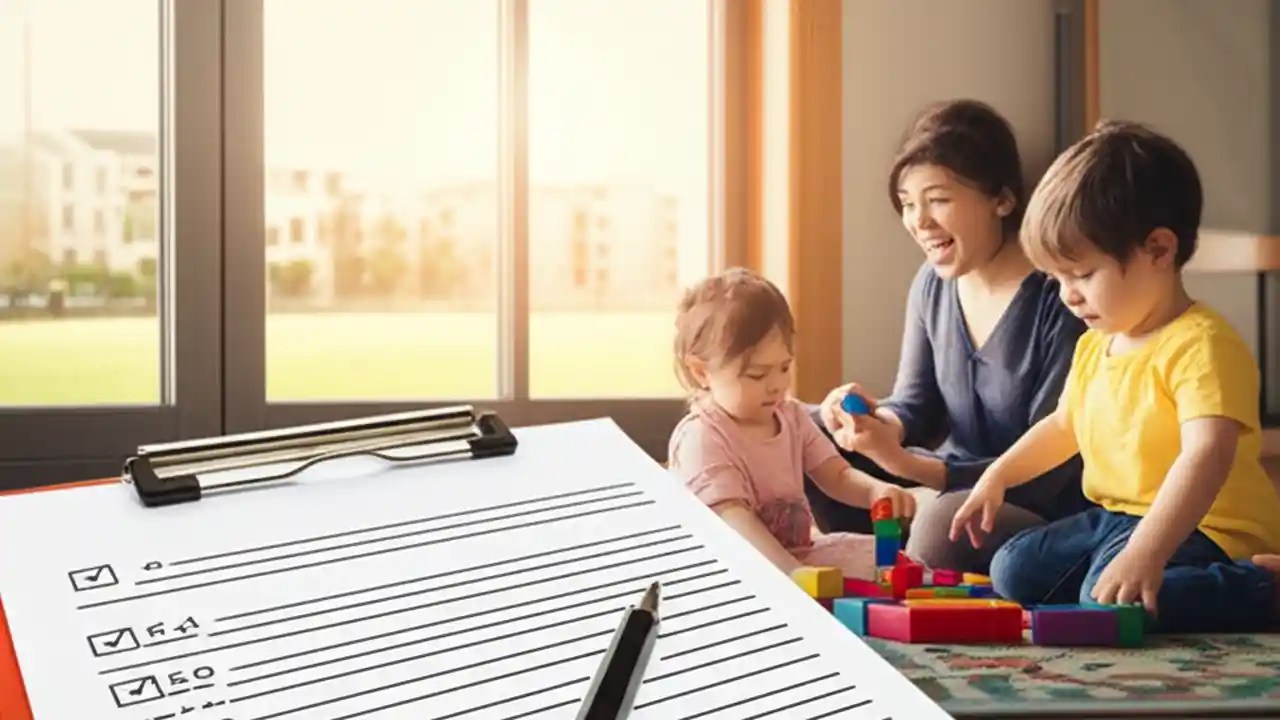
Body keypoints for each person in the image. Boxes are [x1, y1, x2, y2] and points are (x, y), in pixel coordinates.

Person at [951, 121, 1280, 632]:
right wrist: (997, 475)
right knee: (1011, 568)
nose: (1067, 295)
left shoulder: (1202, 344)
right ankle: (1122, 572)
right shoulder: (1095, 344)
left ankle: (1262, 586)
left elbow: (1206, 455)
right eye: (1057, 278)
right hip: (1115, 518)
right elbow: (1064, 427)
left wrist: (1147, 551)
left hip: (1209, 529)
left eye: (1082, 275)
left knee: (1113, 603)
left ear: (1159, 250)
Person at [807, 99, 1089, 573]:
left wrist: (912, 469)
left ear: (1001, 198)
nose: (919, 220)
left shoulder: (1061, 298)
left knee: (942, 526)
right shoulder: (932, 283)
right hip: (946, 485)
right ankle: (899, 546)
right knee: (814, 432)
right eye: (908, 203)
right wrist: (877, 424)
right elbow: (916, 408)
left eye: (938, 200)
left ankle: (916, 542)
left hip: (1034, 505)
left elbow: (1051, 470)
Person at [667, 268, 916, 581]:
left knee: (893, 562)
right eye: (757, 375)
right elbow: (733, 521)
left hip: (797, 556)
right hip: (732, 566)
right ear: (702, 372)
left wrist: (874, 491)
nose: (776, 385)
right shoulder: (702, 437)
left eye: (784, 367)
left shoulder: (790, 415)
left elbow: (836, 475)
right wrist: (793, 574)